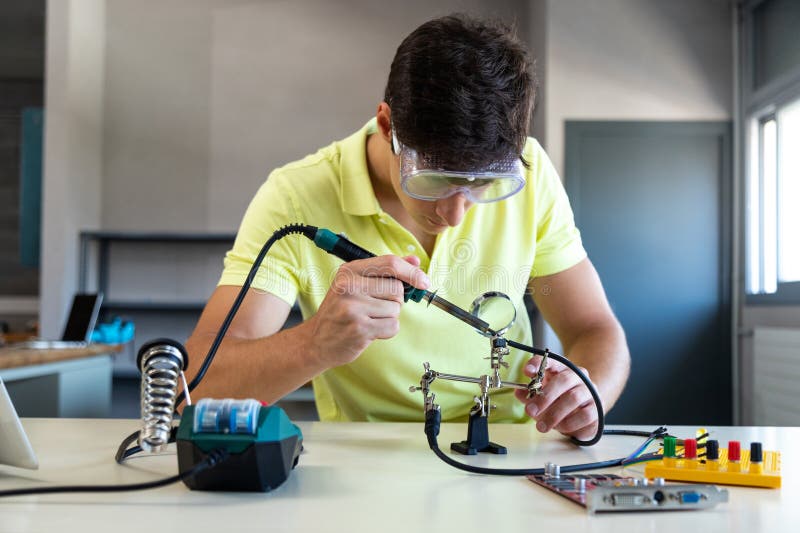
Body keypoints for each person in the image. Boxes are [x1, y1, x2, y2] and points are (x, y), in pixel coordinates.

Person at [185, 14, 630, 441]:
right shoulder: (295, 199)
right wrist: (313, 345)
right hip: (367, 461)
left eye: (484, 184)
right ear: (386, 126)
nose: (456, 215)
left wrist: (588, 396)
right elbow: (197, 387)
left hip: (507, 449)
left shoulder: (532, 176)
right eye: (435, 181)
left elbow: (595, 330)